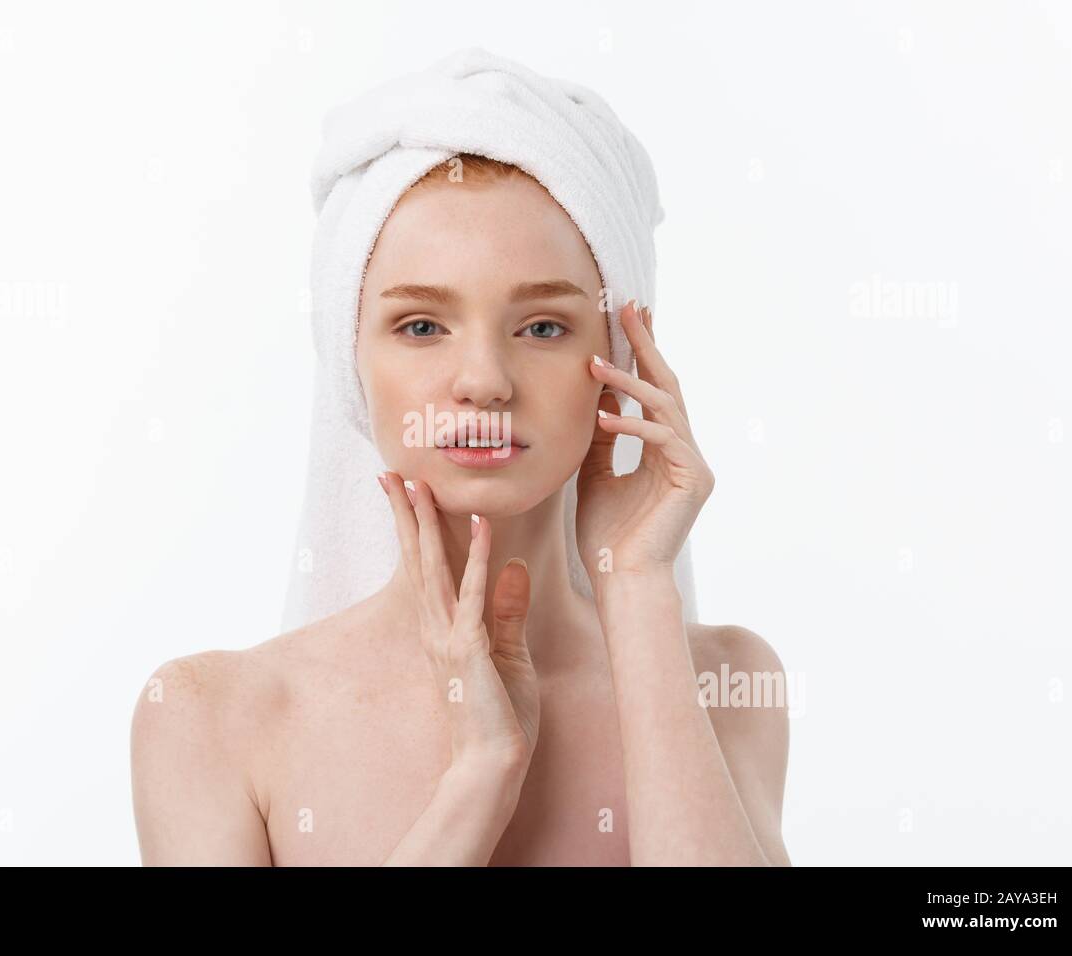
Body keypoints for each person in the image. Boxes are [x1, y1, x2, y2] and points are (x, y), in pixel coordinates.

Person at [130, 151, 792, 866]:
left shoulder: (723, 684)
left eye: (542, 327)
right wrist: (478, 779)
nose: (484, 382)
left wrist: (635, 582)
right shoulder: (209, 718)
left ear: (620, 364)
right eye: (421, 326)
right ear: (351, 360)